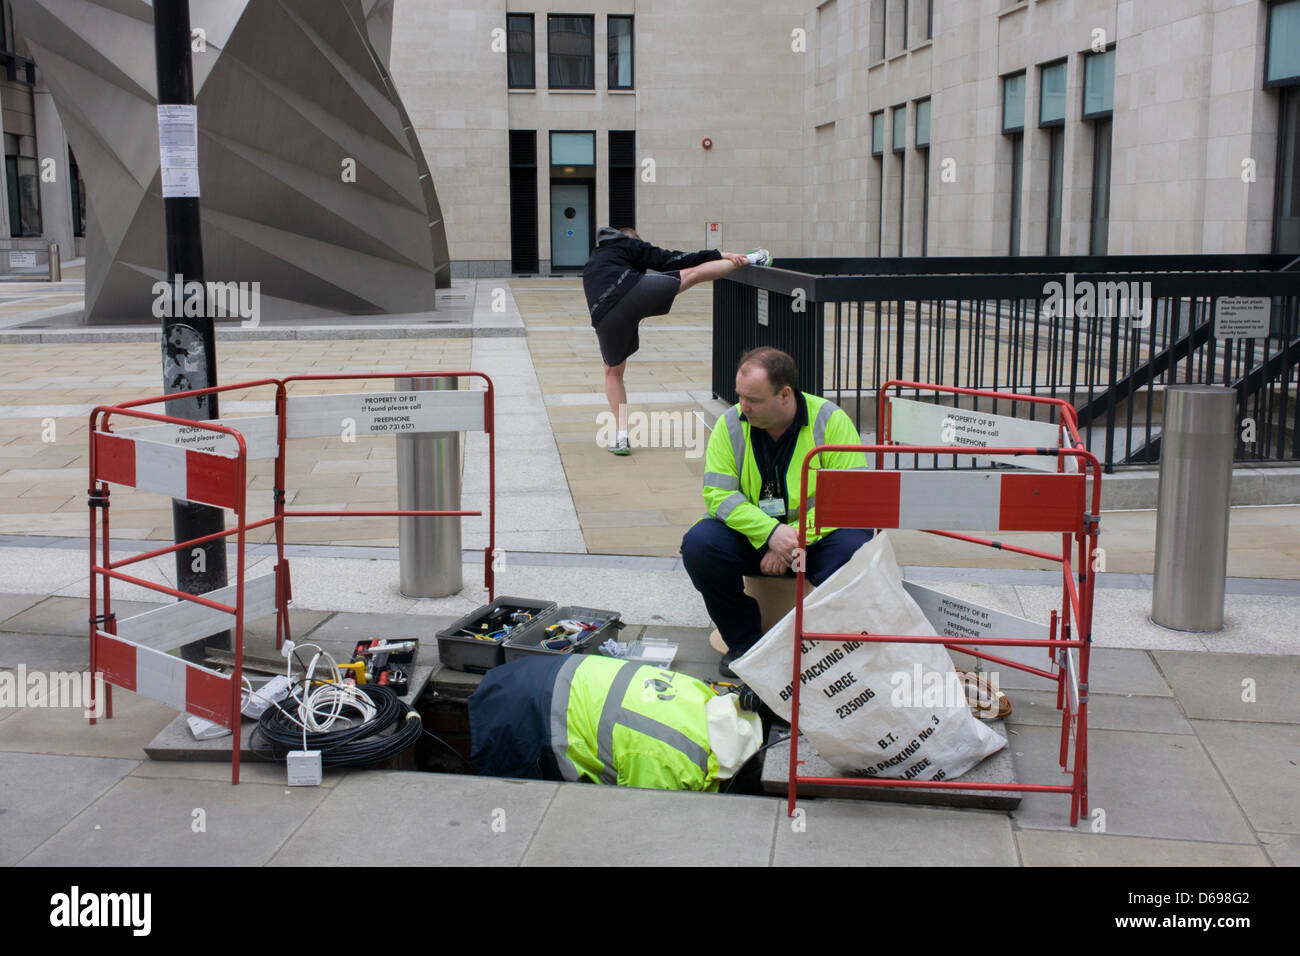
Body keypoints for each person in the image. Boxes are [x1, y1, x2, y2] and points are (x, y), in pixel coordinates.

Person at [680, 347, 874, 677]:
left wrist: (793, 541)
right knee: (700, 544)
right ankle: (745, 644)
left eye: (753, 399)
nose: (743, 407)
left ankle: (828, 649)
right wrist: (770, 534)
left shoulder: (829, 419)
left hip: (816, 538)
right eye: (740, 396)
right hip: (758, 537)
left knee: (856, 549)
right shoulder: (730, 425)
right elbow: (719, 495)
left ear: (785, 394)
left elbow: (850, 496)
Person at [582, 226, 772, 454]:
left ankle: (622, 435)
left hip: (604, 314)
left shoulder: (594, 260)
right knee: (693, 274)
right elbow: (673, 260)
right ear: (630, 238)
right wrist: (720, 254)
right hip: (634, 291)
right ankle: (753, 258)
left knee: (612, 372)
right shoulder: (628, 243)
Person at [468, 653, 762, 790]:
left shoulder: (704, 695)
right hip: (530, 717)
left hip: (535, 672)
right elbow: (634, 818)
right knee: (510, 796)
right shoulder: (674, 763)